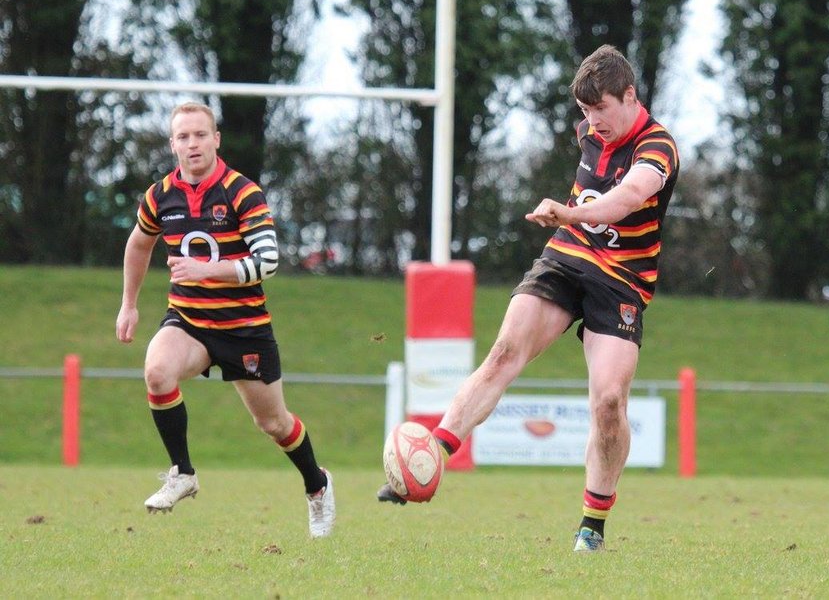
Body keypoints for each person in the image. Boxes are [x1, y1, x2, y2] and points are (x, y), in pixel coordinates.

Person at [377, 44, 680, 552]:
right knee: (503, 352)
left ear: (630, 96)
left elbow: (626, 200)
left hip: (623, 278)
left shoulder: (659, 146)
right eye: (584, 112)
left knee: (608, 401)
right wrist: (569, 222)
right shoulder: (588, 130)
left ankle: (591, 525)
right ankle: (433, 453)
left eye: (601, 108)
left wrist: (567, 211)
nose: (592, 122)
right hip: (567, 257)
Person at [116, 102, 335, 538]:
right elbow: (139, 244)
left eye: (200, 135)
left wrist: (206, 270)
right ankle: (182, 472)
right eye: (183, 137)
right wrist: (129, 303)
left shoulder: (242, 192)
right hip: (189, 321)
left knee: (273, 424)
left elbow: (269, 261)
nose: (192, 144)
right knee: (157, 370)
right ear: (173, 144)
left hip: (244, 328)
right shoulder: (160, 195)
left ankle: (318, 486)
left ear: (216, 139)